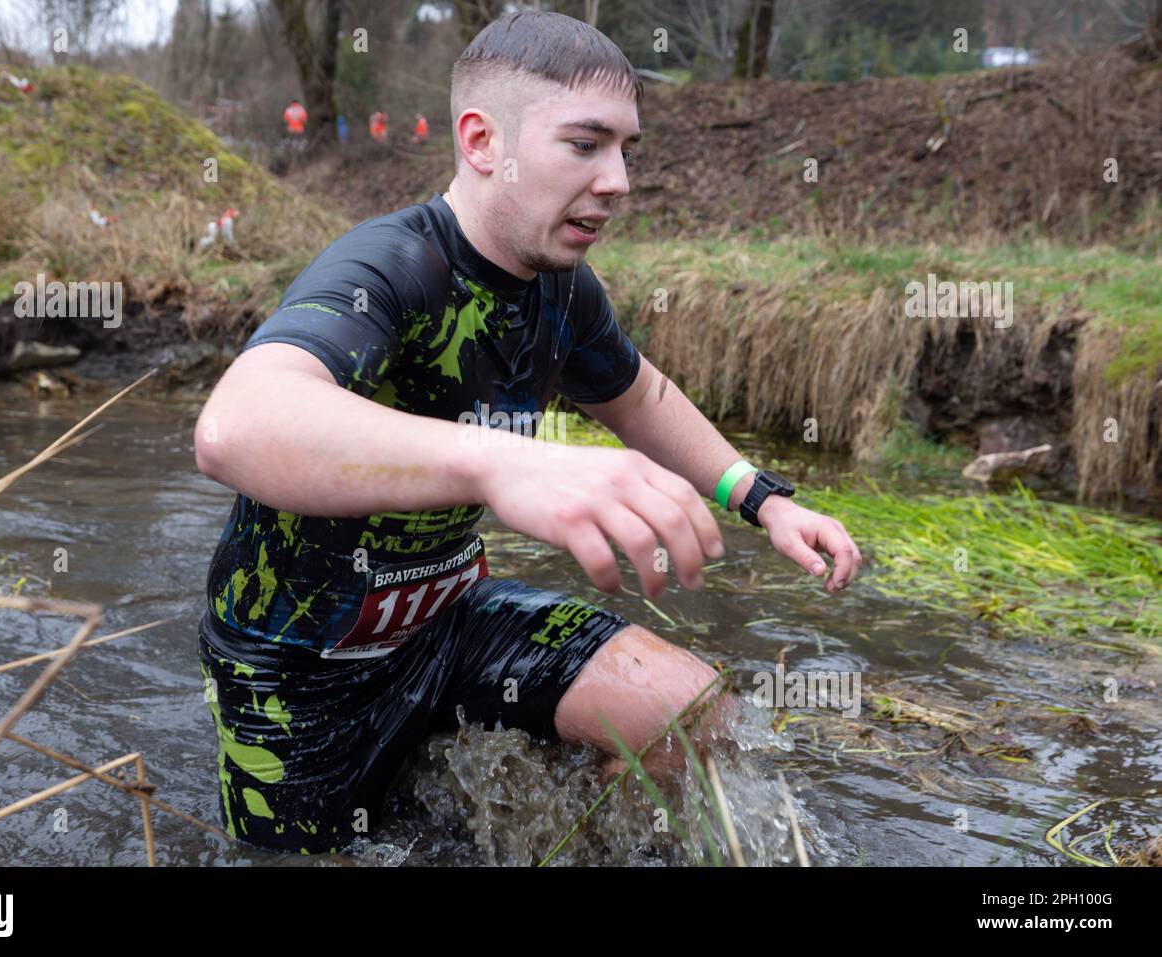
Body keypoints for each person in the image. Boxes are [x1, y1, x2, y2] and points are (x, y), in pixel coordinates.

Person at [194, 10, 862, 855]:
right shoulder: (389, 268)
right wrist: (503, 463)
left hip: (449, 619)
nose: (619, 180)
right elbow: (235, 426)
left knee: (693, 717)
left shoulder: (565, 290)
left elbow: (639, 394)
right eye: (586, 145)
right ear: (482, 141)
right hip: (299, 667)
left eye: (626, 149)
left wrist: (758, 497)